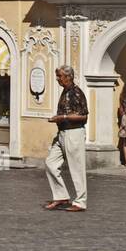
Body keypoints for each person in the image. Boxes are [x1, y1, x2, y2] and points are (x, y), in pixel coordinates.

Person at [44, 66, 89, 212]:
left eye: (59, 76)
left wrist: (62, 117)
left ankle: (80, 202)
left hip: (74, 133)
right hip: (62, 133)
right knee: (50, 163)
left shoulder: (77, 93)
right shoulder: (65, 91)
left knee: (76, 168)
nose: (57, 79)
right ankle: (61, 196)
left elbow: (84, 116)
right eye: (57, 76)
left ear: (68, 77)